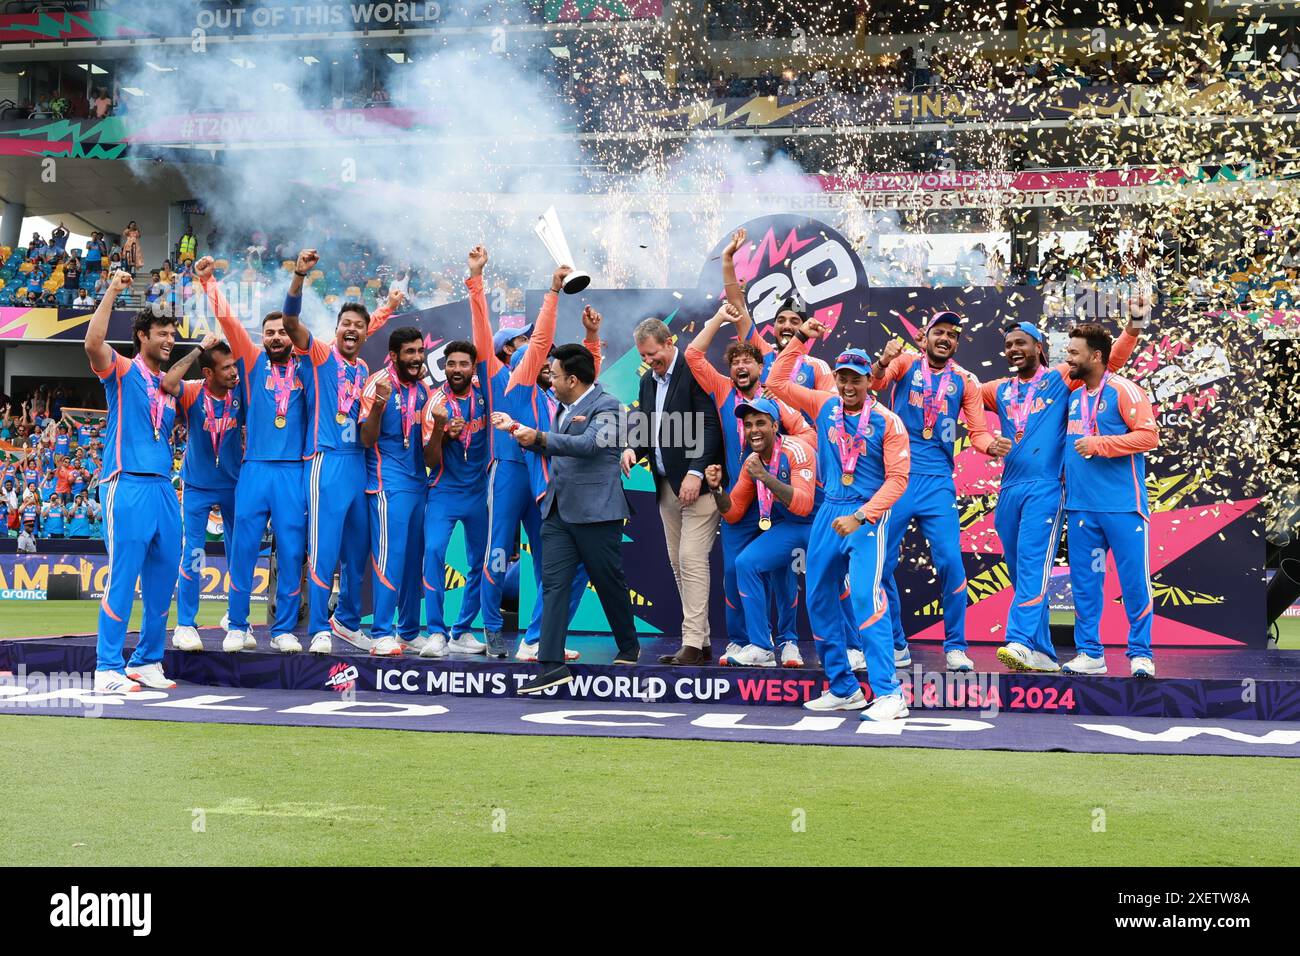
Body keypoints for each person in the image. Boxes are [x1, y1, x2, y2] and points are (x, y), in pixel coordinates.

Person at [980, 301, 1146, 672]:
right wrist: (984, 440)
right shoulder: (998, 390)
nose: (1013, 350)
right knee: (1020, 571)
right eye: (1008, 345)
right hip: (1009, 488)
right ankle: (1042, 650)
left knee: (1034, 565)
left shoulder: (1061, 377)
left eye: (1021, 343)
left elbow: (1109, 363)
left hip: (1046, 487)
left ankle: (1020, 640)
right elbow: (958, 394)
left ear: (1039, 347)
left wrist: (1133, 328)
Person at [765, 326, 912, 720]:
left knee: (865, 596)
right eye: (843, 377)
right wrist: (799, 337)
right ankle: (844, 687)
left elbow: (898, 480)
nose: (848, 385)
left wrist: (862, 516)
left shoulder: (888, 422)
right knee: (817, 598)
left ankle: (889, 693)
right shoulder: (824, 404)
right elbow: (776, 381)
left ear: (869, 381)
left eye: (856, 378)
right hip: (829, 509)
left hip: (866, 513)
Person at [275, 250, 401, 655]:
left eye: (359, 327)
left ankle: (345, 622)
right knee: (323, 548)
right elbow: (291, 322)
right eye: (346, 324)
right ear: (336, 328)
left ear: (366, 334)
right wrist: (299, 276)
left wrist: (387, 308)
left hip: (358, 466)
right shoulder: (320, 355)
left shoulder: (363, 370)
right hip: (325, 460)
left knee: (357, 550)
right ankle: (317, 628)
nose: (352, 330)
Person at [495, 343, 641, 693]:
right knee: (554, 586)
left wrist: (540, 437)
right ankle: (550, 665)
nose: (552, 379)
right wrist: (521, 433)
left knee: (609, 583)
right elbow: (555, 445)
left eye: (556, 375)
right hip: (558, 512)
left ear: (573, 379)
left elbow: (591, 444)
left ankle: (629, 646)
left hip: (597, 514)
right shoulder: (561, 406)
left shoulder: (608, 406)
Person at [475, 253, 597, 659]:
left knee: (553, 561)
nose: (535, 346)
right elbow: (539, 341)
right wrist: (552, 292)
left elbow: (584, 387)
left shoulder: (546, 394)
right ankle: (491, 629)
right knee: (496, 552)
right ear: (511, 351)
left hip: (540, 477)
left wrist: (591, 340)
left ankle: (538, 638)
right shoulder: (511, 380)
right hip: (508, 472)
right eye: (525, 341)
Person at [685, 298, 815, 666]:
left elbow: (807, 432)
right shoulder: (724, 390)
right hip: (741, 501)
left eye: (749, 361)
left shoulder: (776, 397)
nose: (742, 367)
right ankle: (743, 642)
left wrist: (788, 453)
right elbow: (694, 357)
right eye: (736, 363)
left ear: (762, 366)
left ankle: (787, 640)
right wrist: (717, 319)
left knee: (783, 575)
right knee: (733, 570)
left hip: (776, 500)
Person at [868, 310, 999, 672]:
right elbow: (875, 385)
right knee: (880, 565)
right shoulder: (904, 362)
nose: (944, 339)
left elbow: (978, 432)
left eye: (951, 335)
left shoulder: (965, 381)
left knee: (951, 564)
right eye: (938, 332)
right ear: (924, 337)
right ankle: (896, 643)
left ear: (956, 343)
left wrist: (992, 447)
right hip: (897, 478)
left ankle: (956, 646)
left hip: (938, 482)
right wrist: (882, 360)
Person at [196, 254, 309, 654]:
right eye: (270, 332)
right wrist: (209, 283)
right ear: (261, 338)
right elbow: (228, 321)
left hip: (294, 471)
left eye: (282, 331)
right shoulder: (251, 361)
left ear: (291, 335)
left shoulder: (308, 365)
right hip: (255, 468)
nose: (276, 337)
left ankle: (282, 630)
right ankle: (238, 625)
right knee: (242, 549)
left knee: (293, 552)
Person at [82, 269, 182, 693]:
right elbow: (92, 343)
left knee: (163, 580)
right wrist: (113, 291)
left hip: (163, 487)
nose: (169, 340)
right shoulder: (122, 371)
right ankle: (107, 667)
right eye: (161, 333)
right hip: (126, 483)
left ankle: (147, 661)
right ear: (142, 335)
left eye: (172, 334)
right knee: (123, 575)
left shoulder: (169, 387)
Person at [1060, 323, 1160, 677]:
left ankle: (1141, 654)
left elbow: (1149, 437)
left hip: (1123, 507)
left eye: (1073, 352)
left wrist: (1100, 445)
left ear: (1096, 356)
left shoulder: (1123, 390)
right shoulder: (1073, 397)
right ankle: (1090, 653)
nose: (1067, 357)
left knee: (1134, 583)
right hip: (1081, 508)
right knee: (1086, 586)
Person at [624, 316, 723, 665]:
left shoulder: (693, 368)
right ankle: (701, 640)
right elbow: (645, 429)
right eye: (644, 358)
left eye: (653, 354)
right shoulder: (648, 383)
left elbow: (710, 425)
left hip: (700, 487)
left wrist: (696, 472)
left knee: (691, 559)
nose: (650, 362)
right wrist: (632, 449)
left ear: (669, 341)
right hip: (666, 486)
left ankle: (693, 643)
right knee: (679, 564)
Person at [703, 396, 816, 666]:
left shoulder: (796, 450)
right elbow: (733, 512)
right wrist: (717, 489)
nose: (754, 429)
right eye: (749, 424)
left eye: (761, 423)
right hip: (788, 527)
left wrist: (765, 477)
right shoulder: (752, 462)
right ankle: (762, 647)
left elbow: (803, 504)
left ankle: (847, 648)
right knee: (746, 563)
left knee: (832, 580)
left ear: (775, 426)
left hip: (819, 524)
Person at [161, 334, 240, 652]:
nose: (234, 372)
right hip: (197, 486)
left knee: (240, 556)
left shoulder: (241, 392)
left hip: (235, 483)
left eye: (234, 366)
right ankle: (185, 626)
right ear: (209, 373)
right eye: (226, 368)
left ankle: (237, 619)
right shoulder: (193, 390)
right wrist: (198, 349)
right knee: (193, 555)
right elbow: (168, 381)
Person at [360, 327, 431, 656]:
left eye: (419, 351)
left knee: (414, 560)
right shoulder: (378, 383)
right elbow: (366, 439)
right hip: (387, 483)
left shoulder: (425, 389)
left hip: (418, 482)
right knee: (391, 557)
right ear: (393, 356)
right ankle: (380, 632)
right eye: (410, 352)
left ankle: (409, 629)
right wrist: (379, 404)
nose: (417, 358)